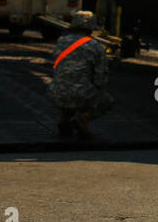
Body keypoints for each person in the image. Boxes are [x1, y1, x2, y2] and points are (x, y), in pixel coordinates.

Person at [47, 10, 112, 139]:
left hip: (55, 93)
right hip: (80, 95)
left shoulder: (61, 42)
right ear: (91, 27)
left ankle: (64, 119)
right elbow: (101, 79)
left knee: (68, 89)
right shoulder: (95, 46)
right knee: (106, 100)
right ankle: (82, 119)